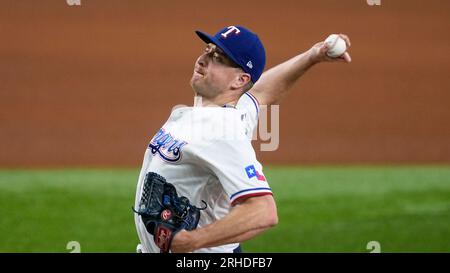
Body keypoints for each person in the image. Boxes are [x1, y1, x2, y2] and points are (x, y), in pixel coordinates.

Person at [134, 25, 351, 253]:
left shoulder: (222, 131)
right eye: (207, 50)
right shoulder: (235, 110)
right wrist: (312, 56)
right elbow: (261, 92)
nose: (202, 59)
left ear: (239, 80)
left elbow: (263, 210)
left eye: (217, 57)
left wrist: (192, 240)